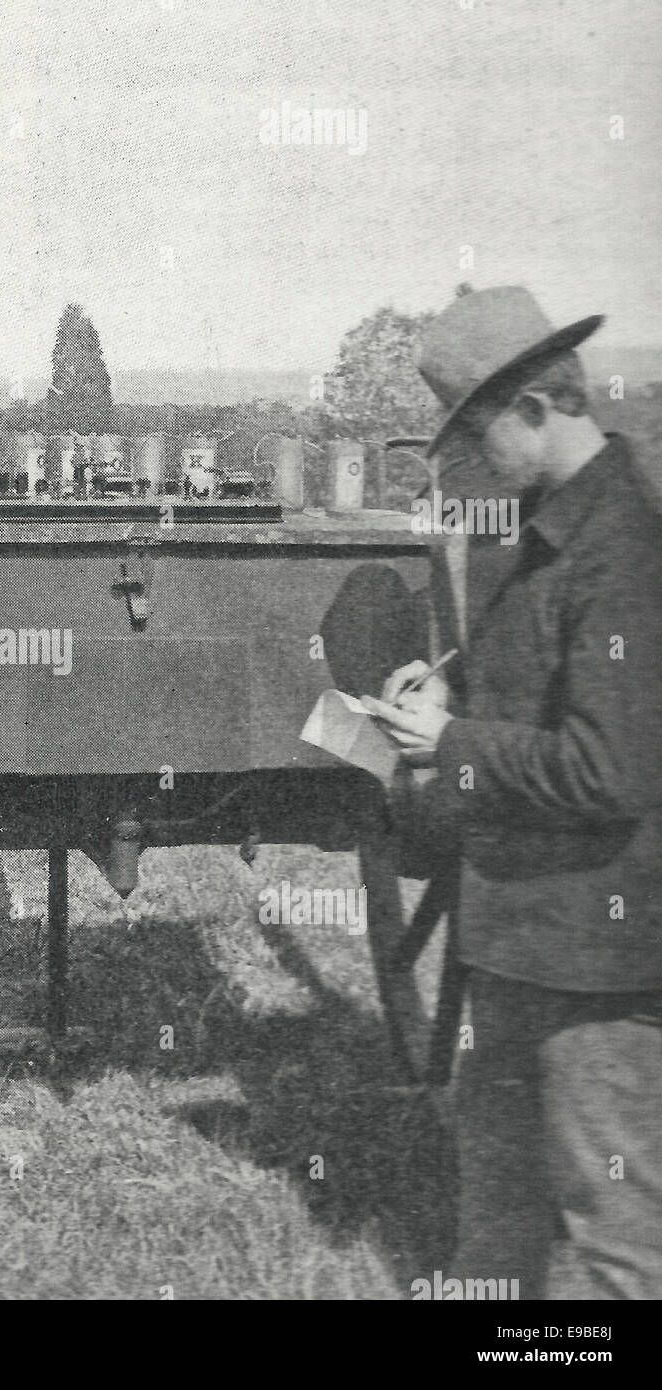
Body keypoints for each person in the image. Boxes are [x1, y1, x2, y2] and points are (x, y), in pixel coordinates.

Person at [362, 285, 662, 1298]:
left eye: (476, 428)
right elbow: (532, 683)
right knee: (492, 1245)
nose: (469, 457)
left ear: (538, 403)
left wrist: (450, 739)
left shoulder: (623, 550)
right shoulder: (536, 532)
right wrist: (451, 684)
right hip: (514, 948)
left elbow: (610, 767)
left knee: (617, 1244)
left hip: (597, 974)